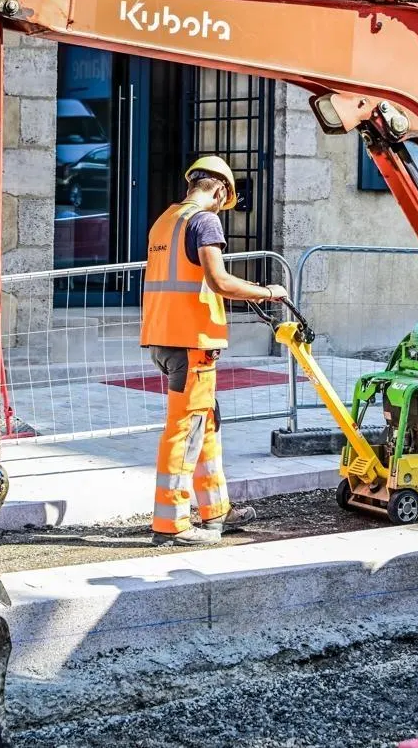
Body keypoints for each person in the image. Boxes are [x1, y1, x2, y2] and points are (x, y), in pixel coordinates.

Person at [140, 155, 288, 546]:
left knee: (206, 425)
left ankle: (217, 509)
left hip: (163, 336)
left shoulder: (164, 220)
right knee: (185, 431)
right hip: (191, 343)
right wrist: (269, 292)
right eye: (225, 198)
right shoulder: (204, 220)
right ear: (220, 189)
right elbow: (218, 281)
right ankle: (171, 524)